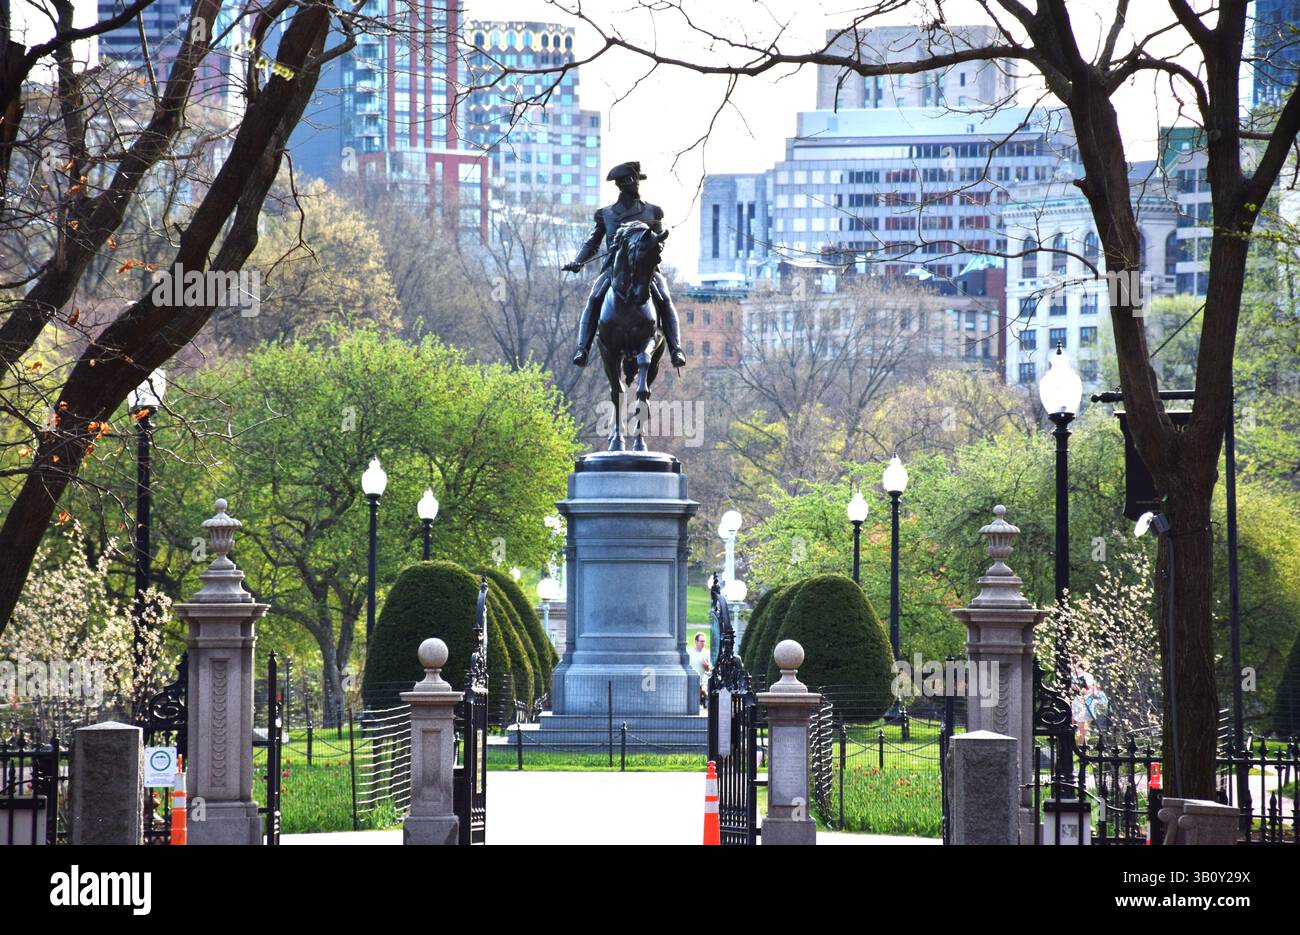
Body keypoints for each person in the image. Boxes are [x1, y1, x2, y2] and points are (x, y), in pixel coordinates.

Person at [563, 161, 687, 369]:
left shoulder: (652, 212)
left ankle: (676, 348)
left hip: (646, 271)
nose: (633, 185)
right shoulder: (606, 214)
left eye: (635, 181)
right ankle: (582, 348)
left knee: (664, 299)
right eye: (628, 182)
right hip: (614, 271)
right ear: (621, 185)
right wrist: (579, 261)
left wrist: (652, 246)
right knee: (594, 298)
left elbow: (659, 240)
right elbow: (592, 242)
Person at [687, 633, 711, 707]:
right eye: (701, 641)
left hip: (701, 680)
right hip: (690, 679)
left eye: (704, 641)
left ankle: (703, 699)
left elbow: (709, 670)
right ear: (696, 641)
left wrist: (706, 665)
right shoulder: (689, 652)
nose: (703, 643)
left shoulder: (707, 653)